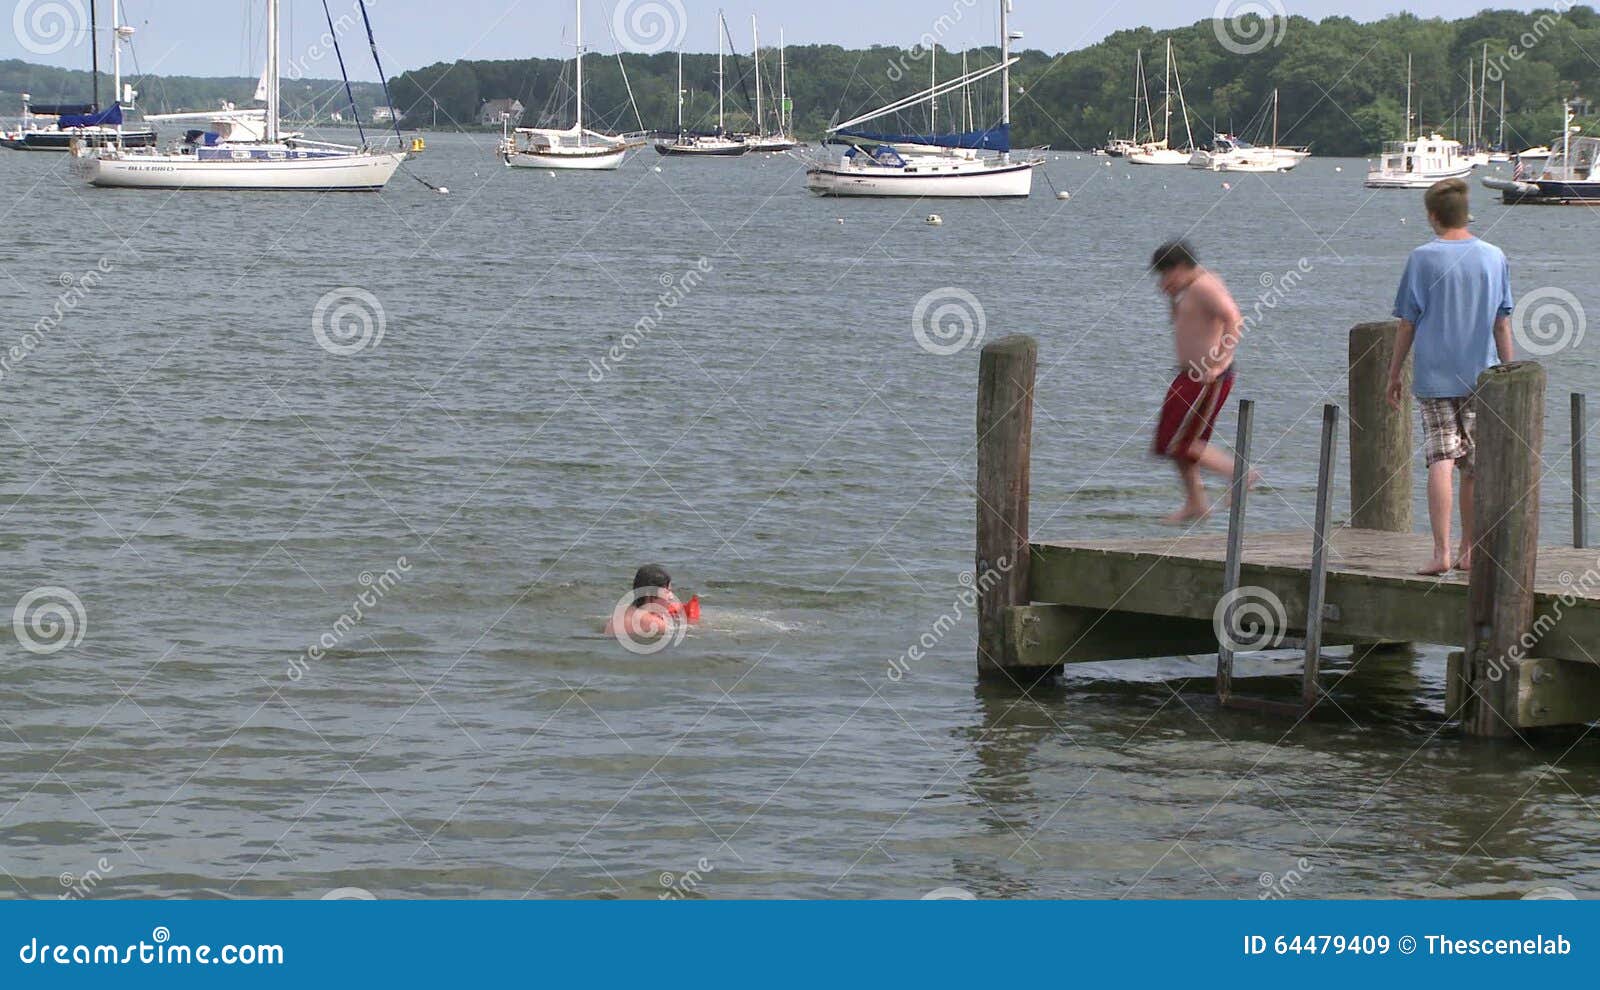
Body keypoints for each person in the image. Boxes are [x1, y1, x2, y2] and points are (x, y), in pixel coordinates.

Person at [1386, 177, 1515, 576]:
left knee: (1441, 459)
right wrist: (1508, 372)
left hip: (1434, 376)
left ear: (1432, 216)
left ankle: (1440, 552)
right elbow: (1502, 325)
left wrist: (1393, 374)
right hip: (1483, 376)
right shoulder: (1494, 256)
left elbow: (1407, 324)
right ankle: (1469, 550)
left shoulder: (1422, 258)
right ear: (1466, 214)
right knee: (1474, 466)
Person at [1149, 240, 1251, 523]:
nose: (1163, 281)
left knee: (1184, 443)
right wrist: (1172, 296)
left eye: (1165, 274)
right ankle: (1195, 502)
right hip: (1188, 376)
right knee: (1170, 442)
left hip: (1207, 378)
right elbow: (1185, 325)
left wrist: (1219, 363)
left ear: (1181, 267)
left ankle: (1239, 476)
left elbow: (1234, 319)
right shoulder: (1189, 289)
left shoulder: (1205, 286)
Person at [604, 564, 697, 640]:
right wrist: (691, 621)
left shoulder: (621, 610)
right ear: (649, 593)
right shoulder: (656, 623)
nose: (671, 597)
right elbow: (687, 634)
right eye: (667, 591)